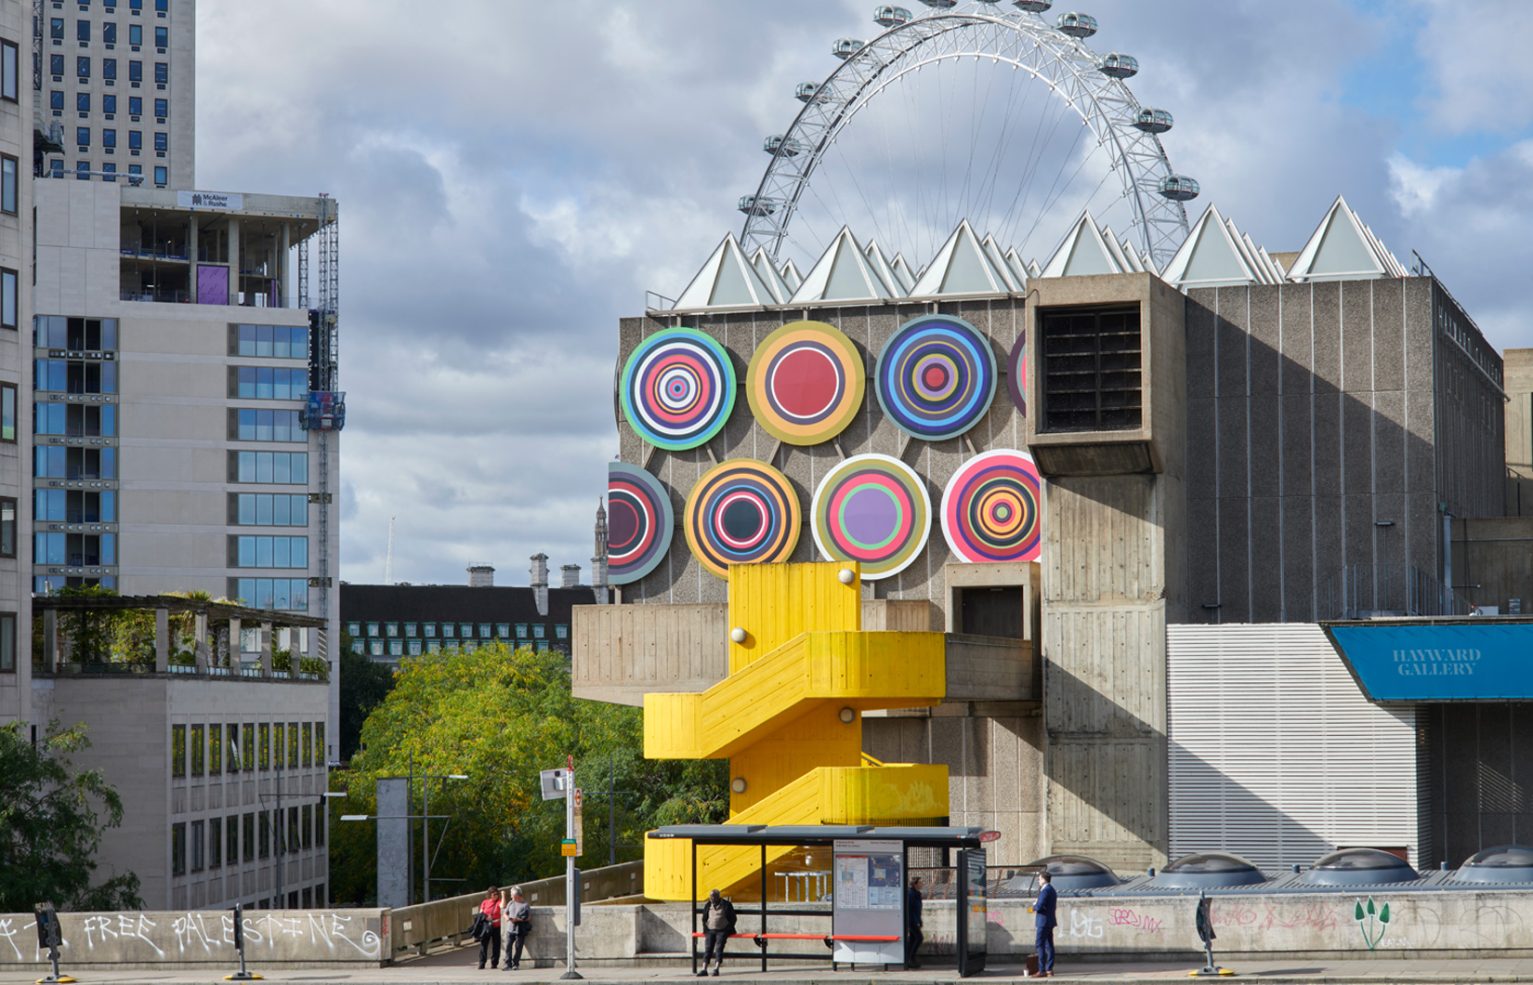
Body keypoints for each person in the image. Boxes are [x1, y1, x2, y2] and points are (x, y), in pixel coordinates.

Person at [699, 888, 736, 977]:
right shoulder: (708, 905)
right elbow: (704, 918)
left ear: (718, 897)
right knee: (708, 948)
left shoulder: (726, 905)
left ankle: (716, 968)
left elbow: (733, 918)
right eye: (711, 897)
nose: (712, 899)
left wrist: (727, 927)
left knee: (719, 948)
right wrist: (706, 928)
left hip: (722, 930)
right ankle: (704, 969)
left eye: (714, 897)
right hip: (710, 930)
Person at [1031, 870, 1058, 978]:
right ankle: (1049, 969)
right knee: (1049, 945)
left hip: (1043, 921)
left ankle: (1041, 970)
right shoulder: (1052, 890)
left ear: (1043, 879)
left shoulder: (1045, 891)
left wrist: (1034, 905)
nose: (1038, 880)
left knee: (1040, 944)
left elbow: (1039, 906)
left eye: (1039, 878)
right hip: (1050, 921)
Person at [502, 885, 531, 970]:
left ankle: (516, 963)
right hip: (510, 928)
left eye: (512, 895)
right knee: (508, 946)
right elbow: (505, 913)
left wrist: (519, 920)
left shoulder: (525, 905)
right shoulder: (510, 903)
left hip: (520, 929)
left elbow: (529, 917)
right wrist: (508, 918)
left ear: (517, 896)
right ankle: (507, 964)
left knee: (518, 948)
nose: (511, 896)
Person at [476, 885, 502, 970]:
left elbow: (503, 906)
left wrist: (504, 895)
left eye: (497, 894)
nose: (496, 895)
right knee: (483, 944)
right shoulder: (485, 902)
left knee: (496, 945)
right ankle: (482, 963)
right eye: (494, 894)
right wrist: (486, 918)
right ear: (490, 894)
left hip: (496, 926)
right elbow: (481, 913)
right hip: (486, 926)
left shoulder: (499, 902)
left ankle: (494, 963)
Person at [905, 876, 924, 969]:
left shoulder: (917, 894)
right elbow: (910, 909)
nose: (922, 884)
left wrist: (919, 920)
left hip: (915, 919)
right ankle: (909, 958)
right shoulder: (911, 894)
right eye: (920, 883)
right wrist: (914, 921)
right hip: (911, 921)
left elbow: (918, 909)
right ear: (915, 884)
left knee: (913, 939)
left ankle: (910, 959)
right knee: (919, 938)